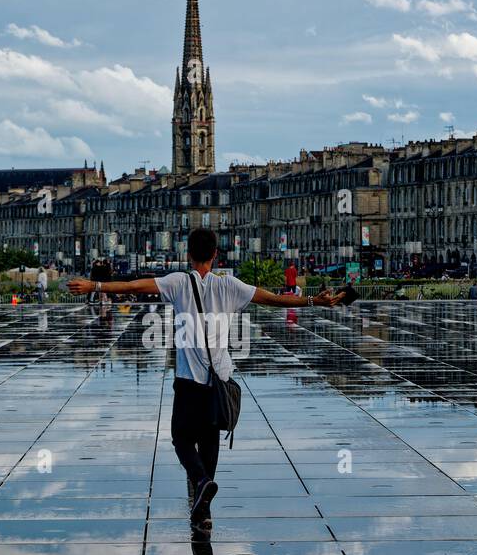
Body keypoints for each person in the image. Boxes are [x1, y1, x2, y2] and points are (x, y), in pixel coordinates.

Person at [67, 227, 342, 529]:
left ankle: (200, 483)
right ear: (215, 254)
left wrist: (93, 285)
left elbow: (135, 285)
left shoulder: (178, 282)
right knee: (210, 441)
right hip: (219, 378)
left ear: (188, 254)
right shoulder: (230, 285)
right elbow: (272, 299)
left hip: (188, 380)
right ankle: (204, 511)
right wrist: (313, 302)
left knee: (181, 438)